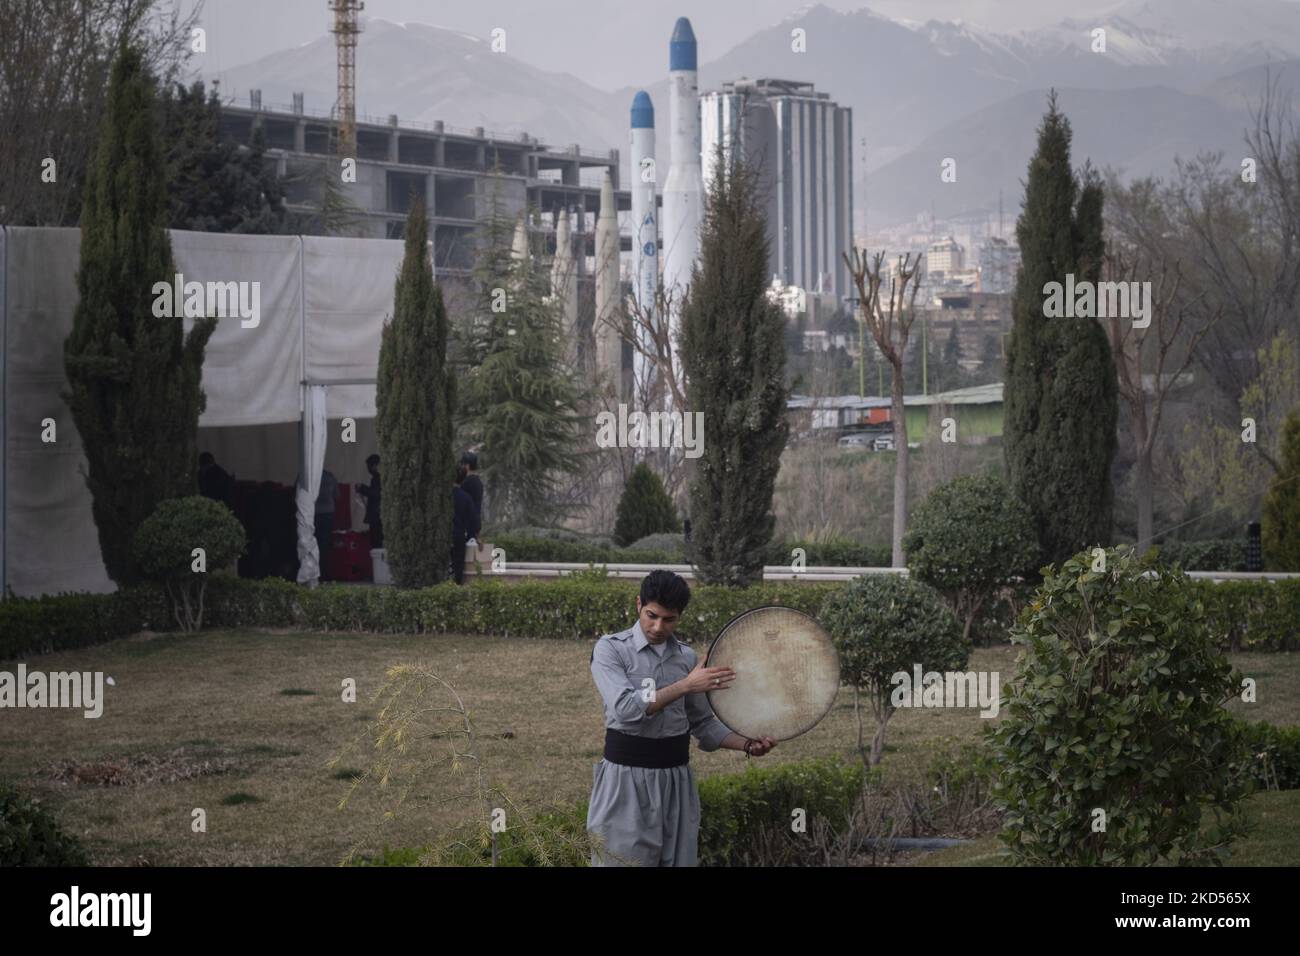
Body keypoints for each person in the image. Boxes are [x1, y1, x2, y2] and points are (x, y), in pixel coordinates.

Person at [586, 570, 777, 867]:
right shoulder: (610, 649)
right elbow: (625, 707)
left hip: (677, 781)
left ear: (680, 616)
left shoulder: (687, 659)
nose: (658, 626)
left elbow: (702, 724)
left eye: (669, 619)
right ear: (638, 604)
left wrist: (748, 745)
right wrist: (686, 685)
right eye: (652, 615)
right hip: (626, 781)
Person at [450, 471, 480, 586]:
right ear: (462, 480)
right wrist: (474, 536)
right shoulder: (466, 498)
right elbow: (473, 521)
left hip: (441, 536)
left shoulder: (442, 497)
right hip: (458, 536)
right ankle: (455, 586)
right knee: (457, 565)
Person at [315, 468, 338, 582]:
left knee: (314, 544)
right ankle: (325, 573)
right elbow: (337, 495)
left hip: (314, 513)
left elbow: (297, 493)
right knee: (325, 544)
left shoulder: (306, 475)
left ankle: (315, 573)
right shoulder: (330, 476)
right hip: (328, 513)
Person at [357, 454, 383, 548]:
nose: (368, 469)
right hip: (377, 515)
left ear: (374, 465)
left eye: (369, 466)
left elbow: (375, 494)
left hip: (376, 516)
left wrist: (362, 488)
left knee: (376, 542)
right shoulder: (378, 478)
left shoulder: (377, 478)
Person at [459, 451, 484, 523]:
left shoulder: (467, 483)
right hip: (475, 522)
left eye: (462, 464)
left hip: (467, 524)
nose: (461, 467)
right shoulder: (478, 482)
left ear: (467, 466)